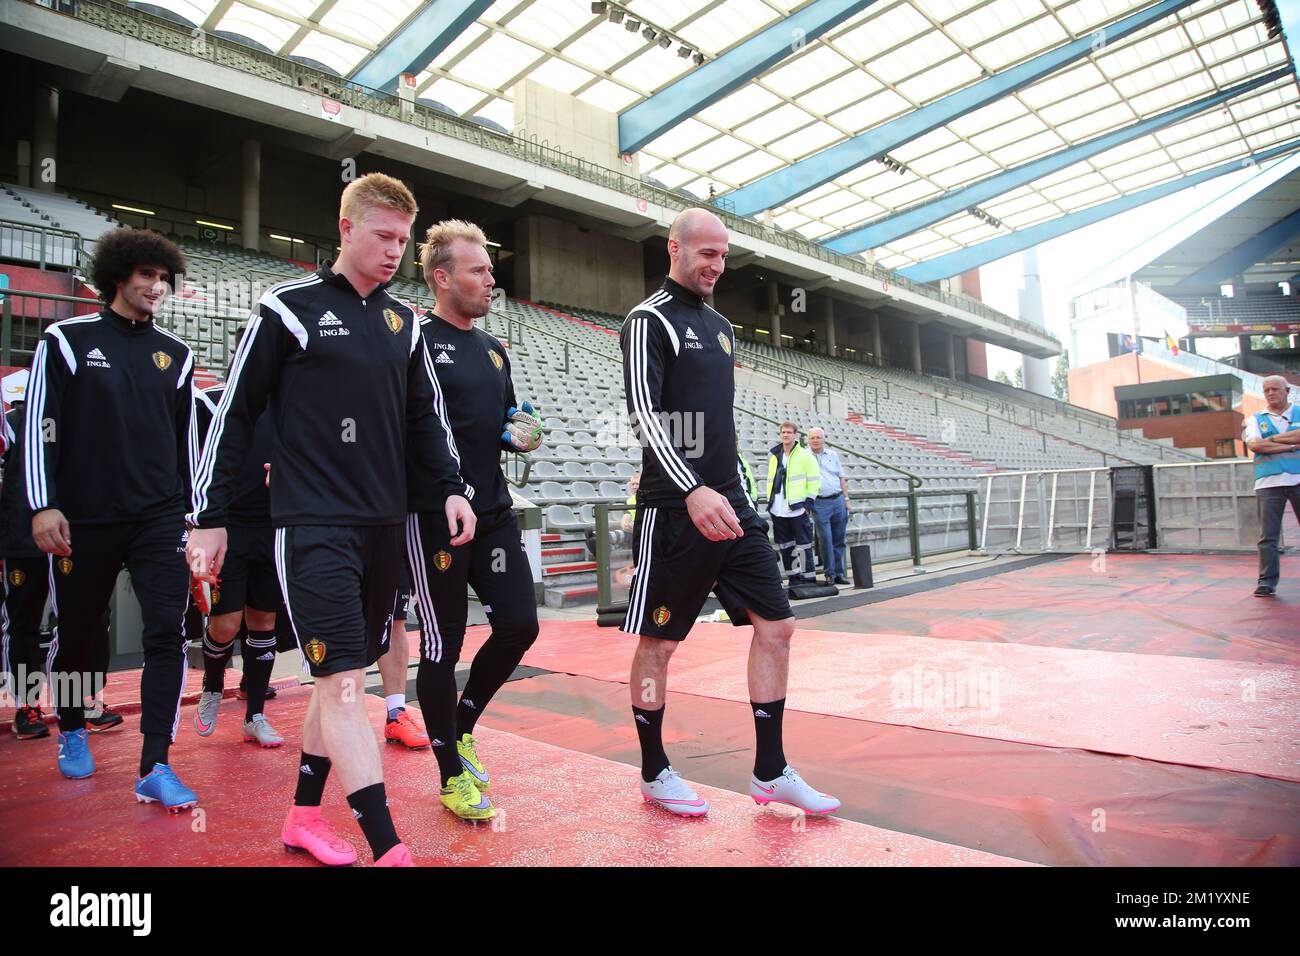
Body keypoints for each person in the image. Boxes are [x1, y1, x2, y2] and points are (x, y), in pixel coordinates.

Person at [187, 173, 475, 867]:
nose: (393, 252)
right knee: (346, 681)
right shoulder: (287, 308)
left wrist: (452, 487)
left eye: (402, 241)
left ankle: (301, 820)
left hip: (384, 526)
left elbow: (423, 419)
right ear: (345, 229)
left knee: (334, 677)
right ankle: (388, 847)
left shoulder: (403, 323)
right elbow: (236, 413)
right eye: (381, 236)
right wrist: (209, 514)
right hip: (312, 523)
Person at [619, 207, 840, 817]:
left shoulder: (721, 327)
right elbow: (645, 413)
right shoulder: (647, 320)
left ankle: (771, 771)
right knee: (660, 645)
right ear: (675, 249)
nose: (716, 265)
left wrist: (729, 483)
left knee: (778, 626)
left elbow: (720, 422)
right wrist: (691, 488)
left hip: (731, 501)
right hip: (674, 508)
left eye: (722, 255)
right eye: (705, 254)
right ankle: (654, 769)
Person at [24, 227, 199, 809]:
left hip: (159, 519)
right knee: (78, 631)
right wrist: (43, 502)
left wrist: (193, 517)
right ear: (118, 276)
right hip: (84, 518)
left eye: (163, 278)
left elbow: (185, 447)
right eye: (146, 275)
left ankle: (155, 762)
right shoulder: (66, 340)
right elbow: (38, 428)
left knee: (166, 635)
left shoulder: (176, 355)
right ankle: (72, 727)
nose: (156, 287)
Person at [406, 218, 541, 821]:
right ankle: (449, 775)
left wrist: (521, 433)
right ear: (442, 278)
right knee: (444, 644)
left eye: (491, 268)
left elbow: (508, 419)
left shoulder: (493, 350)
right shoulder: (412, 339)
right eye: (479, 270)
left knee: (519, 625)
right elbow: (408, 426)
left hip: (492, 512)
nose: (493, 279)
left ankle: (461, 725)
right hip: (434, 517)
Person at [190, 364, 283, 747]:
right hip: (225, 528)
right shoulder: (209, 402)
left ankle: (255, 714)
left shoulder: (291, 405)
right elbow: (193, 463)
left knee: (263, 620)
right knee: (225, 624)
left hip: (274, 526)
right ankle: (212, 688)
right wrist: (196, 523)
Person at [1244, 375, 1300, 597]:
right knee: (1268, 536)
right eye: (1266, 390)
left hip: (1298, 479)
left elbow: (1264, 443)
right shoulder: (1255, 418)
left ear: (1287, 390)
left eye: (1275, 389)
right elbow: (1255, 445)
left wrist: (1273, 439)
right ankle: (1266, 581)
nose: (1270, 393)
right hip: (1268, 482)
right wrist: (1292, 445)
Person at [765, 422, 820, 586]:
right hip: (778, 509)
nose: (785, 435)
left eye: (789, 432)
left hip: (797, 509)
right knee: (785, 545)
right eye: (783, 432)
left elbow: (814, 481)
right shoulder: (774, 456)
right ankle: (794, 579)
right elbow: (771, 481)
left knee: (803, 545)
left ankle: (808, 579)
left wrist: (808, 505)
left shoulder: (805, 455)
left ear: (795, 435)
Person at [807, 426, 850, 586]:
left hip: (838, 500)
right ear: (808, 440)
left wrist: (846, 499)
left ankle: (839, 573)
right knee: (825, 539)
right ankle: (829, 573)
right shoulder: (805, 456)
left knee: (839, 539)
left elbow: (841, 478)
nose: (816, 440)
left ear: (824, 439)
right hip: (819, 503)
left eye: (818, 437)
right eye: (813, 438)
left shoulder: (833, 455)